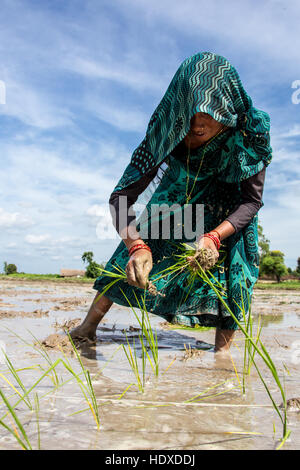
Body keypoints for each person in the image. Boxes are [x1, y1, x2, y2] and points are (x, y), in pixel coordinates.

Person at [71, 52, 272, 353]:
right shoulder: (166, 130)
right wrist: (136, 246)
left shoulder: (250, 131)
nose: (197, 125)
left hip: (231, 209)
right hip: (179, 198)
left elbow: (252, 201)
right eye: (190, 115)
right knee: (138, 246)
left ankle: (223, 355)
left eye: (209, 114)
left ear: (226, 107)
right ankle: (86, 329)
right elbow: (120, 198)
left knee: (239, 266)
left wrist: (214, 236)